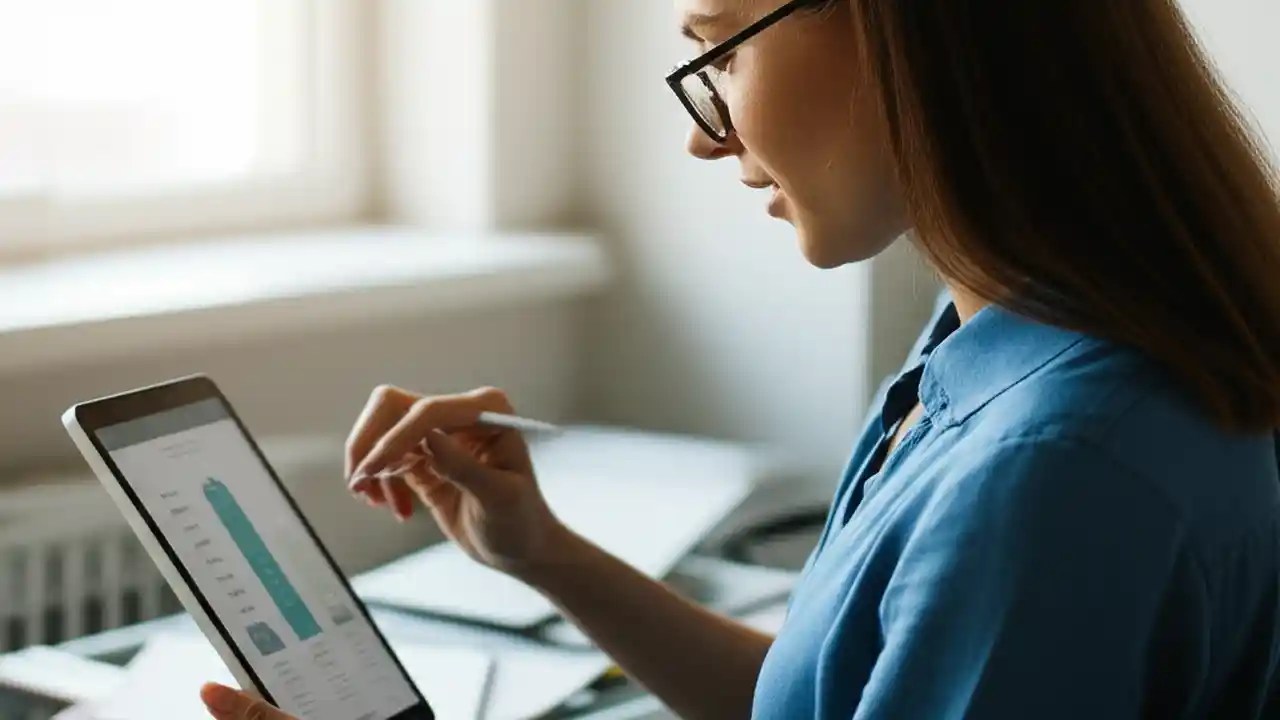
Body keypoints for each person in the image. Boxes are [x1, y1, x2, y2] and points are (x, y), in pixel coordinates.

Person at [201, 0, 1280, 717]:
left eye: (721, 51)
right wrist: (545, 556)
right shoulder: (1002, 344)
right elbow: (818, 697)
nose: (702, 133)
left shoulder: (1052, 468)